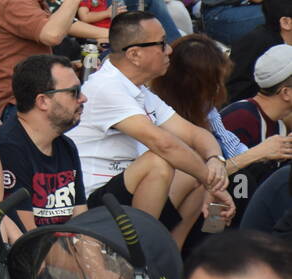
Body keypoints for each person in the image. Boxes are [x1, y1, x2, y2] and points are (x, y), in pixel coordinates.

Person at [67, 12, 231, 242]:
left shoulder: (139, 90)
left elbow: (195, 134)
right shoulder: (106, 86)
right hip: (93, 201)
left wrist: (215, 160)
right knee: (160, 162)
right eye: (162, 44)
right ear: (134, 54)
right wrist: (214, 181)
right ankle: (142, 256)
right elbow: (163, 144)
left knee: (193, 166)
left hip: (130, 191)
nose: (169, 50)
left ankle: (170, 261)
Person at [0, 54, 88, 229]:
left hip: (66, 250)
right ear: (43, 101)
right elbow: (28, 240)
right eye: (74, 92)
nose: (83, 98)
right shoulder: (6, 148)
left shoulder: (66, 146)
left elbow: (81, 224)